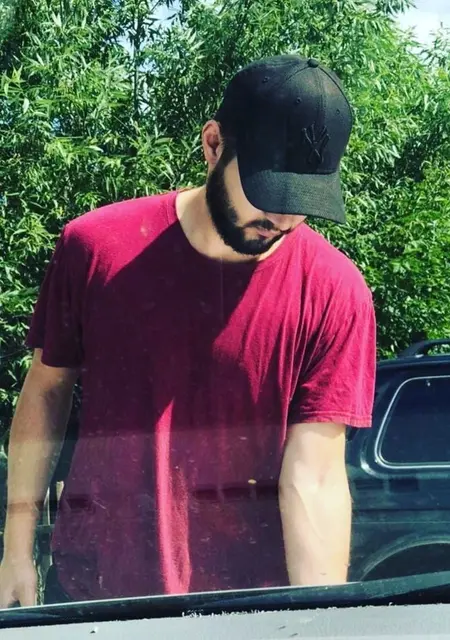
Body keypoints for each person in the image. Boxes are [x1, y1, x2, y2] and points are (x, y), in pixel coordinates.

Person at [0, 54, 376, 607]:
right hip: (93, 593)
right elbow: (46, 390)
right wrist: (15, 550)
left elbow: (314, 476)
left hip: (250, 611)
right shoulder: (96, 248)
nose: (283, 220)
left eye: (304, 202)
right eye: (269, 191)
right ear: (213, 144)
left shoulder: (335, 291)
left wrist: (316, 616)